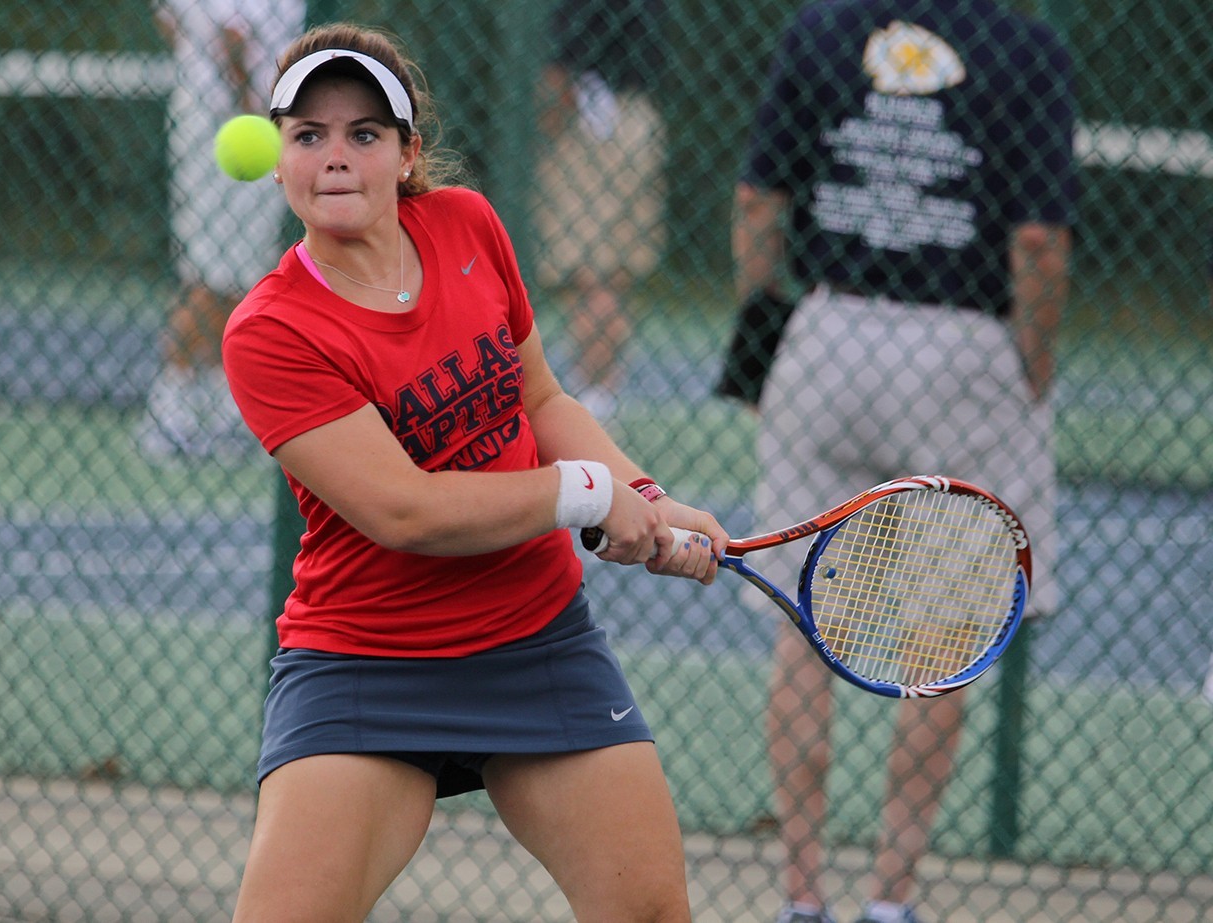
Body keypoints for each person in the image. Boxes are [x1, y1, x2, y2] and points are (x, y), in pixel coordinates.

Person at [219, 22, 729, 923]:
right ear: (278, 160)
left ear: (407, 153)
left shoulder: (467, 225)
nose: (336, 157)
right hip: (367, 660)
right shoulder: (271, 331)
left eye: (364, 134)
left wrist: (643, 495)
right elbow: (406, 511)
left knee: (650, 914)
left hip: (535, 641)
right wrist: (590, 494)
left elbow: (540, 399)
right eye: (310, 135)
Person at [716, 3, 1075, 922]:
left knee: (803, 624)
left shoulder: (822, 28)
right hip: (965, 347)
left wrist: (766, 332)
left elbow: (759, 201)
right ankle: (889, 898)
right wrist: (1031, 366)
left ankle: (802, 894)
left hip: (829, 333)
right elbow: (1037, 240)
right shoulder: (1023, 44)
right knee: (943, 642)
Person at [137, 0, 304, 457]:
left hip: (215, 121)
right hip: (239, 128)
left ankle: (217, 407)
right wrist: (249, 105)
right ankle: (169, 413)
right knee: (214, 277)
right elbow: (234, 34)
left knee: (235, 275)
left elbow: (171, 19)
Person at [532, 0, 667, 420]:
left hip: (590, 124)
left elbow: (560, 65)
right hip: (638, 117)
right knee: (615, 275)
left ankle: (593, 393)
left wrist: (547, 127)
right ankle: (604, 389)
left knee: (592, 276)